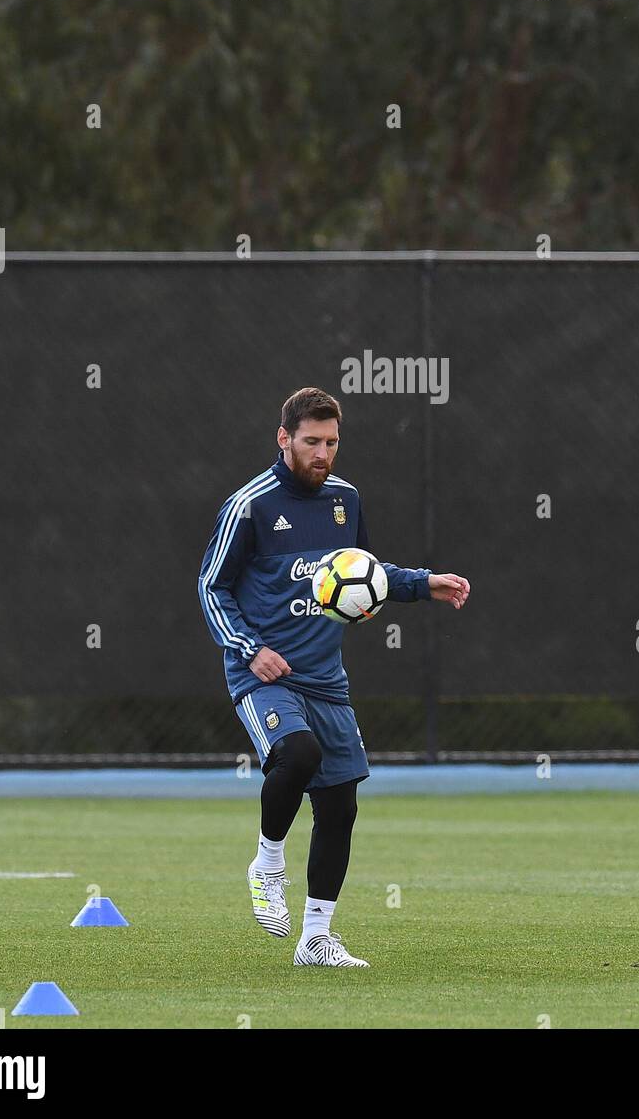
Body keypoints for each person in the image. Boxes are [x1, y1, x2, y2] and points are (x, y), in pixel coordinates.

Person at [198, 386, 470, 967]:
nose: (323, 453)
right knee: (297, 755)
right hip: (265, 673)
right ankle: (268, 861)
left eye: (332, 443)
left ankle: (316, 938)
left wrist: (424, 584)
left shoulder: (345, 499)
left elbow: (363, 574)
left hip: (326, 676)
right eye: (312, 442)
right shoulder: (251, 505)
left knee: (339, 805)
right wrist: (249, 648)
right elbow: (210, 586)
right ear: (284, 439)